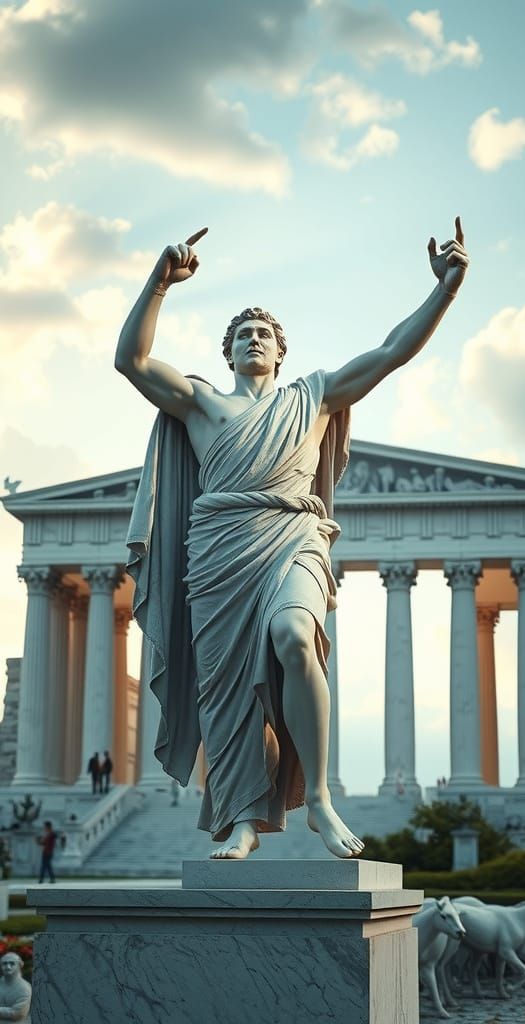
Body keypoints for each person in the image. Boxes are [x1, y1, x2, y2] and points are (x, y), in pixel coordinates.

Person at [115, 219, 468, 860]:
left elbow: (392, 352)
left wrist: (444, 292)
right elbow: (131, 362)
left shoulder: (316, 396)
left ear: (281, 352)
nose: (254, 340)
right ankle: (244, 818)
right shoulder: (200, 404)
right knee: (228, 696)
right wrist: (159, 284)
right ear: (228, 354)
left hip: (292, 536)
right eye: (242, 335)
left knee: (295, 637)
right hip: (220, 552)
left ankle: (321, 801)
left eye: (264, 334)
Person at [0, 953, 31, 1023]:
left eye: (12, 963)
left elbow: (18, 1013)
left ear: (19, 965)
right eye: (4, 964)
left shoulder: (24, 988)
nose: (8, 967)